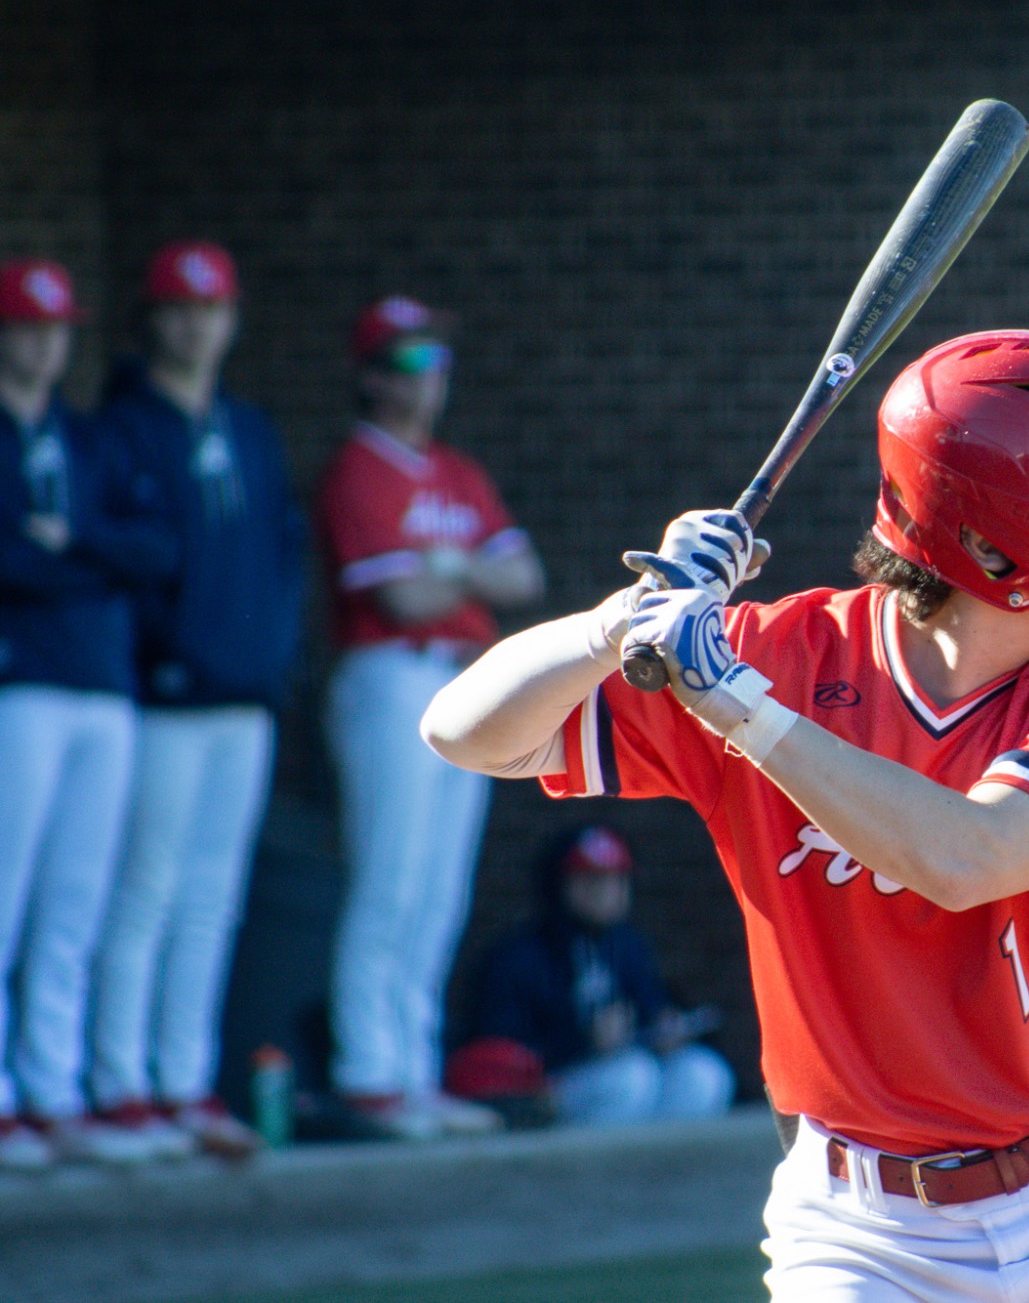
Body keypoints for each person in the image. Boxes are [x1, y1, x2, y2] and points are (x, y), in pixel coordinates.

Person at [422, 331, 1029, 1298]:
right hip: (863, 1227)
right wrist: (619, 620)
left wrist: (737, 703)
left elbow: (966, 855)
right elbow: (466, 732)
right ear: (996, 547)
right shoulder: (776, 655)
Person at [88, 242, 305, 1162]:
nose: (194, 323)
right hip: (162, 699)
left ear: (231, 317)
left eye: (210, 307)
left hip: (241, 700)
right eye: (178, 307)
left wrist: (271, 664)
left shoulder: (248, 427)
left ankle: (182, 1082)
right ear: (153, 317)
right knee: (142, 893)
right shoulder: (122, 426)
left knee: (212, 900)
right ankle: (118, 1083)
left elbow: (285, 562)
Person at [317, 296, 544, 1140]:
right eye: (411, 362)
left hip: (461, 676)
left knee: (440, 887)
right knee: (391, 877)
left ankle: (412, 1068)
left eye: (436, 361)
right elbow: (402, 595)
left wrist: (448, 566)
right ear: (373, 375)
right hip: (390, 677)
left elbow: (524, 579)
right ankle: (367, 1072)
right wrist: (460, 570)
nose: (430, 377)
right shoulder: (358, 467)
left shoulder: (456, 470)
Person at [0, 259, 177, 1169]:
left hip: (104, 685)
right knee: (7, 894)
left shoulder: (87, 434)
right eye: (25, 326)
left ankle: (53, 1089)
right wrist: (86, 562)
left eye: (54, 327)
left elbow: (153, 549)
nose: (42, 343)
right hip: (19, 683)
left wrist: (73, 546)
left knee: (75, 900)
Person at [467, 824, 733, 1127]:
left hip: (624, 1067)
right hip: (554, 1085)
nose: (606, 892)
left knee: (702, 1073)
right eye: (591, 880)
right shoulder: (521, 954)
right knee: (631, 1077)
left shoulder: (628, 946)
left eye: (615, 879)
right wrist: (583, 1041)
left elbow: (649, 1010)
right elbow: (501, 1047)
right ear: (560, 884)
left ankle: (670, 1174)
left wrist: (664, 1029)